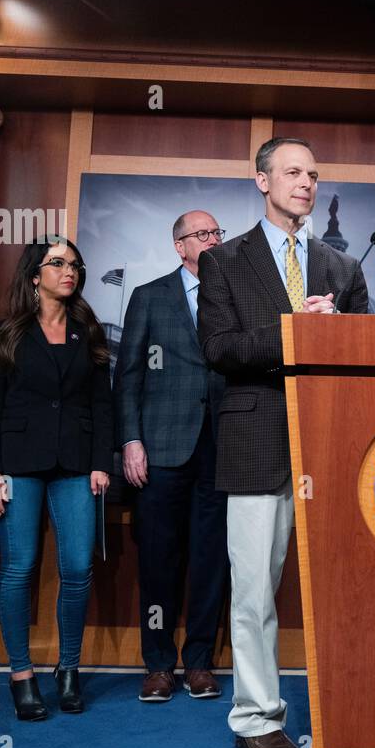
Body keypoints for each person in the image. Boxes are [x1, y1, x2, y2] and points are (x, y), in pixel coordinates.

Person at [197, 137, 368, 748]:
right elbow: (218, 348)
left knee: (343, 587)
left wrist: (346, 332)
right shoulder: (223, 260)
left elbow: (363, 359)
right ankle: (256, 716)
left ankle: (347, 706)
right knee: (255, 591)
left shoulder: (341, 268)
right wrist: (297, 333)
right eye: (293, 172)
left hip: (333, 447)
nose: (306, 182)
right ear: (262, 181)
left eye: (314, 174)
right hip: (254, 441)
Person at [0, 236, 112, 722]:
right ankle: (21, 675)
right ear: (35, 275)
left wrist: (101, 462)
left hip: (76, 463)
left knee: (77, 567)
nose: (68, 271)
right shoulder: (6, 334)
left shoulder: (87, 332)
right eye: (57, 263)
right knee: (20, 568)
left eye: (74, 264)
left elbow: (101, 403)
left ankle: (68, 669)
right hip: (17, 463)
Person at [115, 210, 228, 703]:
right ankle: (159, 665)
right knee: (159, 560)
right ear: (179, 246)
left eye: (218, 233)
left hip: (223, 448)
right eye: (203, 234)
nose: (214, 240)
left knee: (211, 560)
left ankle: (200, 662)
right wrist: (131, 441)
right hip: (160, 448)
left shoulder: (237, 294)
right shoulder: (149, 297)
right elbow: (128, 377)